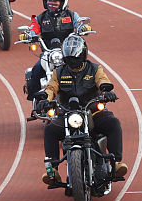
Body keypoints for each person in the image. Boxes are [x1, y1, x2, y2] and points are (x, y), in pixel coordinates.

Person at [37, 33, 127, 184]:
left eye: (76, 57)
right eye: (69, 58)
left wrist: (106, 90)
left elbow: (102, 80)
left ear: (83, 54)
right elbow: (51, 88)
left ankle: (116, 163)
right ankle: (53, 170)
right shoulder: (58, 72)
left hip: (93, 112)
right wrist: (45, 99)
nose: (73, 61)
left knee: (113, 123)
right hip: (67, 114)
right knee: (50, 130)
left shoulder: (95, 69)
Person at [23, 0, 88, 101]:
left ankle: (88, 96)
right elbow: (33, 28)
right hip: (48, 54)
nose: (51, 4)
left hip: (68, 52)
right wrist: (29, 35)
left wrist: (83, 28)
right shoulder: (41, 18)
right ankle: (35, 99)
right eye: (49, 0)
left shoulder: (72, 15)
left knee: (85, 69)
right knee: (36, 71)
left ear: (63, 1)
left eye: (55, 1)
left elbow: (79, 23)